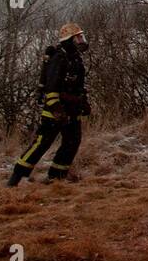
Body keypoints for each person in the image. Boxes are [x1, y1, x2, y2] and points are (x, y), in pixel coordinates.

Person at [8, 23, 92, 186]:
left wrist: (84, 102)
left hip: (72, 110)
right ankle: (16, 177)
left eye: (82, 37)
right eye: (78, 37)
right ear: (69, 39)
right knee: (42, 143)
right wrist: (56, 109)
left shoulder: (75, 58)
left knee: (72, 142)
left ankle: (57, 177)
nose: (81, 40)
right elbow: (51, 87)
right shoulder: (59, 57)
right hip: (55, 111)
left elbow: (79, 86)